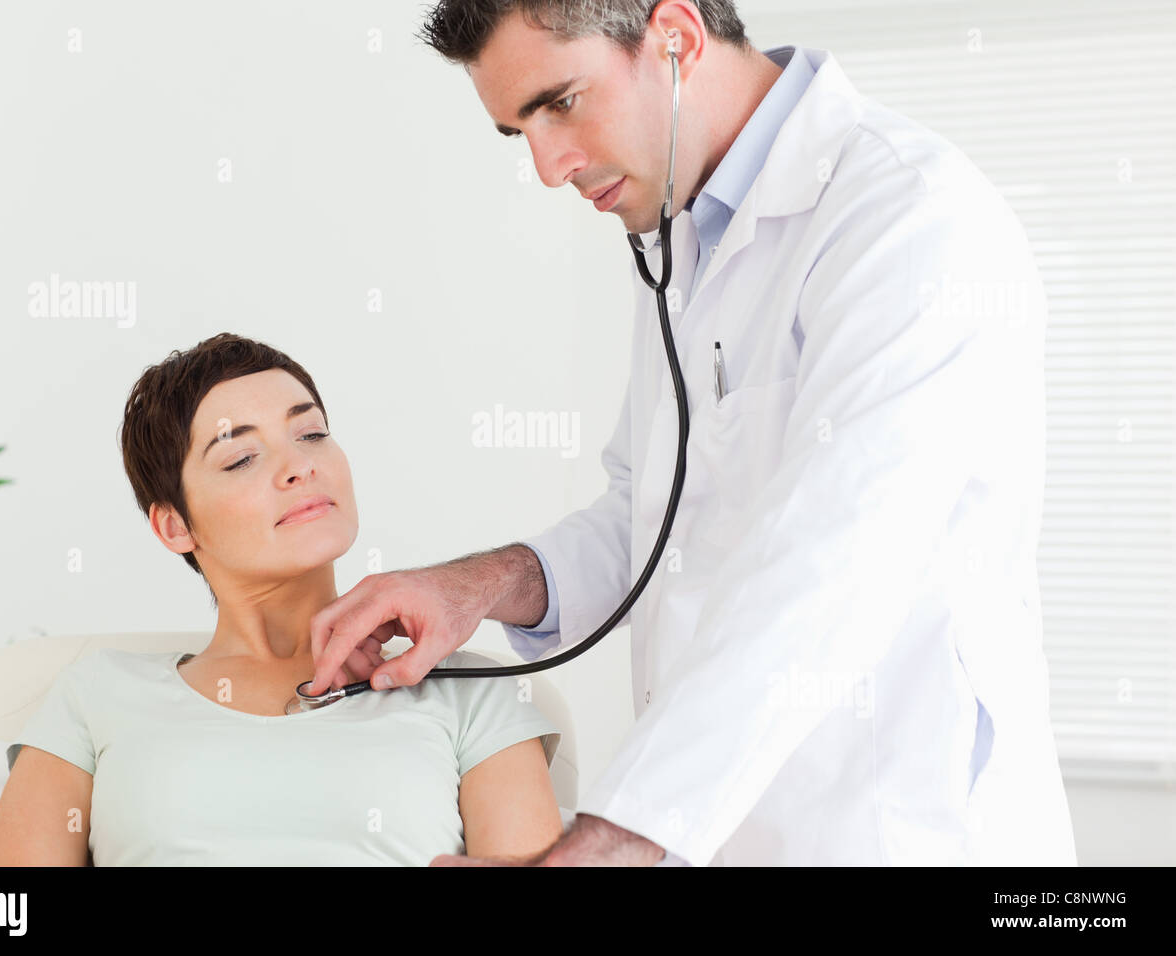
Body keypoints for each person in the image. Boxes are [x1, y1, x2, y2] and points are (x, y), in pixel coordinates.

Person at [305, 0, 1078, 866]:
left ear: (674, 36)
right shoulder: (684, 230)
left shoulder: (909, 219)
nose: (550, 167)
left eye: (560, 103)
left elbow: (831, 566)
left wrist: (610, 845)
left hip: (900, 830)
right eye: (517, 130)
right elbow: (656, 514)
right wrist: (480, 586)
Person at [0, 333, 563, 866]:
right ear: (175, 527)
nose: (300, 465)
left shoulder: (473, 696)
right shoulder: (96, 694)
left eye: (311, 433)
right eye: (240, 457)